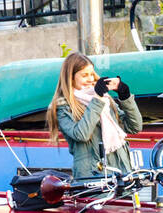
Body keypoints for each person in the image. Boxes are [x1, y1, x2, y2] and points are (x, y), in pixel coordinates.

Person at [46, 52, 142, 180]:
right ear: (71, 77)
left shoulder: (105, 99)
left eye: (92, 74)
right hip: (93, 177)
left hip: (122, 172)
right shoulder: (63, 107)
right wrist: (97, 100)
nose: (91, 79)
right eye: (84, 75)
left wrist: (124, 95)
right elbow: (81, 134)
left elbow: (134, 127)